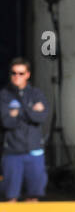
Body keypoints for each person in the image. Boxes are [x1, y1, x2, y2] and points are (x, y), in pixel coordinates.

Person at [3, 58, 50, 201]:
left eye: (21, 73)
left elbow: (40, 117)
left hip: (34, 151)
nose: (17, 76)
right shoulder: (4, 95)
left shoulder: (37, 94)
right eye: (14, 73)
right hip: (12, 152)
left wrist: (18, 112)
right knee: (11, 197)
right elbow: (7, 121)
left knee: (33, 197)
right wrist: (31, 110)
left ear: (28, 75)